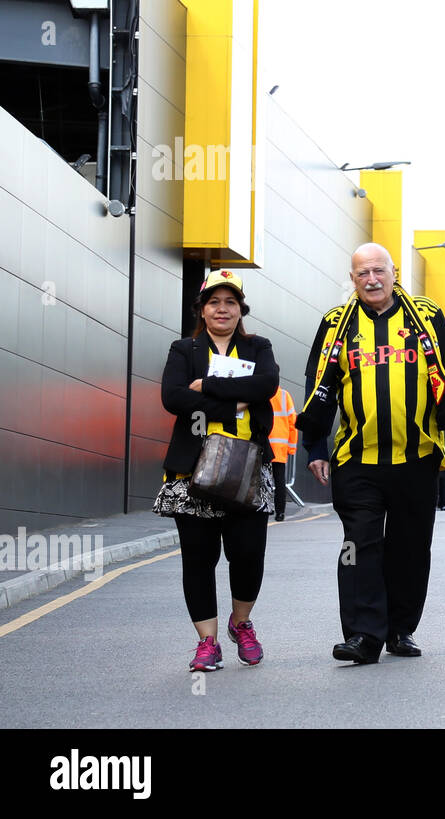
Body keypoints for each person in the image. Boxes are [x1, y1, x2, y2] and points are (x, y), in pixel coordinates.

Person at [300, 243, 445, 664]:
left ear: (394, 273)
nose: (371, 279)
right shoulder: (336, 323)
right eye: (362, 273)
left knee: (410, 547)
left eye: (379, 270)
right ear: (352, 279)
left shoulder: (425, 316)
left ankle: (400, 629)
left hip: (417, 457)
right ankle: (362, 635)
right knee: (359, 543)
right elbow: (317, 384)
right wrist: (316, 446)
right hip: (357, 459)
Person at [155, 270, 279, 672]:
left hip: (246, 468)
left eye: (230, 302)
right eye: (213, 302)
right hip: (191, 472)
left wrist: (205, 388)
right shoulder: (183, 349)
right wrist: (233, 404)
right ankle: (206, 642)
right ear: (202, 309)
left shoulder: (258, 347)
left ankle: (241, 623)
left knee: (248, 556)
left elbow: (266, 386)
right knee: (198, 558)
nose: (222, 309)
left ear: (240, 309)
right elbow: (172, 398)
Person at [268, 386, 298, 522]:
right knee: (279, 480)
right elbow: (293, 423)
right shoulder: (285, 396)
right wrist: (291, 448)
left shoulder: (262, 392)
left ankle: (266, 507)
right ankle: (280, 512)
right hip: (279, 446)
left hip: (264, 444)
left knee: (261, 480)